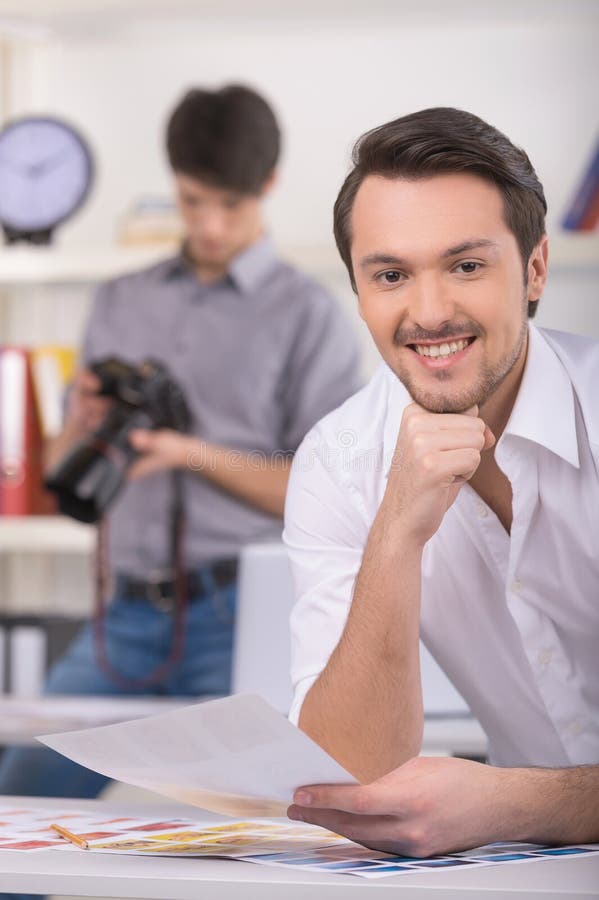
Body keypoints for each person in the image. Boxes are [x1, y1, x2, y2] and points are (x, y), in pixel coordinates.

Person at [0, 85, 361, 806]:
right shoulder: (120, 298)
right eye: (194, 201)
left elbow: (317, 486)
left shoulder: (307, 313)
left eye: (230, 204)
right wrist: (81, 424)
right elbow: (68, 455)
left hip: (239, 614)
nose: (211, 224)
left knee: (277, 821)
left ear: (268, 186)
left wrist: (187, 452)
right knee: (23, 794)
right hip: (123, 612)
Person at [283, 107, 599, 857]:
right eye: (390, 274)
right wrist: (396, 529)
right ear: (359, 293)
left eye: (465, 266)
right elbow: (348, 779)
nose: (428, 313)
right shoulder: (337, 460)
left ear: (532, 271)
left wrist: (522, 803)